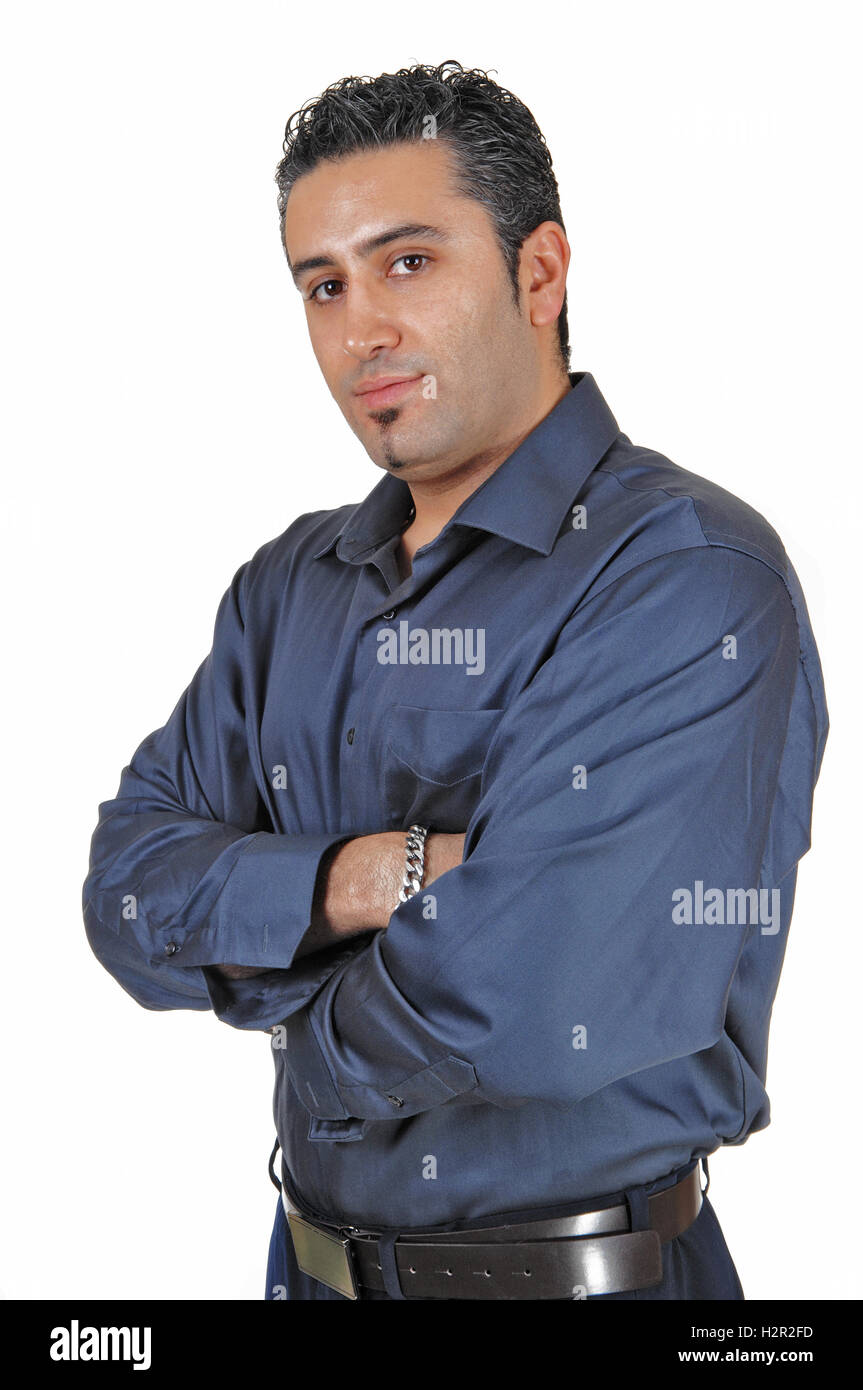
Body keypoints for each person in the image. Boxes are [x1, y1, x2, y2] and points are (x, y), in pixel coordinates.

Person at [82, 60, 828, 1301]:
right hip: (304, 1271)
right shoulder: (287, 587)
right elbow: (121, 891)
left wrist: (260, 960)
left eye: (408, 262)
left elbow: (526, 1000)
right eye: (323, 284)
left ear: (539, 273)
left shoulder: (689, 580)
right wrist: (378, 875)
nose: (359, 328)